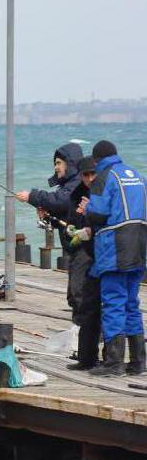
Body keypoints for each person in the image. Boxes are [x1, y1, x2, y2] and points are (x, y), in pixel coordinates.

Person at [84, 140, 147, 376]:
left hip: (115, 247)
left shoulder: (104, 177)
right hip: (139, 245)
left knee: (113, 301)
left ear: (97, 160)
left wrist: (87, 210)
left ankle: (114, 362)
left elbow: (99, 213)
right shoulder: (138, 176)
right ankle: (138, 361)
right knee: (132, 302)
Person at [64, 156, 102, 370]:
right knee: (82, 299)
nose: (89, 179)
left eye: (92, 174)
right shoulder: (76, 194)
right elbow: (70, 225)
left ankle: (112, 357)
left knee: (111, 304)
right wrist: (74, 226)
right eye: (85, 175)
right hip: (83, 250)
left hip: (103, 253)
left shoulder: (106, 190)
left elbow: (110, 218)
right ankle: (86, 357)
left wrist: (90, 213)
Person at [16, 143, 83, 233]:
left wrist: (31, 196)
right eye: (55, 164)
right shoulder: (68, 185)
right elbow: (67, 215)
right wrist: (48, 216)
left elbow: (61, 201)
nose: (55, 168)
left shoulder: (78, 182)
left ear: (70, 164)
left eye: (59, 163)